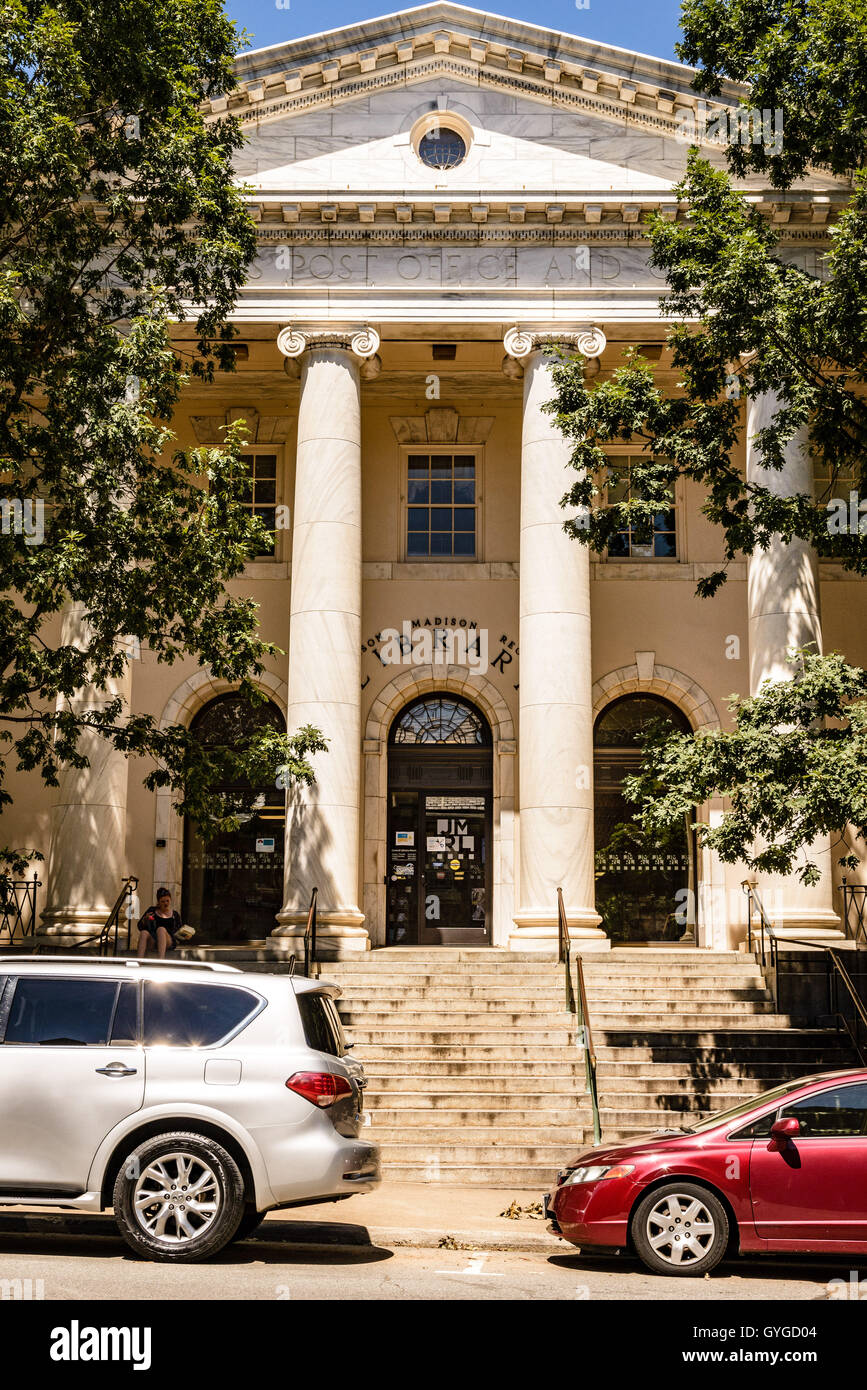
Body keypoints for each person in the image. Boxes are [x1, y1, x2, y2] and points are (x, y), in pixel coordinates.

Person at [136, 888, 182, 959]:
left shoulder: (175, 914)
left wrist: (185, 934)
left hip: (168, 940)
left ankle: (161, 960)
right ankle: (139, 960)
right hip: (153, 940)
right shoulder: (152, 910)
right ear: (158, 902)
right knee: (144, 933)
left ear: (170, 900)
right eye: (163, 901)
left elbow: (179, 932)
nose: (165, 903)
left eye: (167, 901)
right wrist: (145, 920)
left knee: (161, 929)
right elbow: (140, 926)